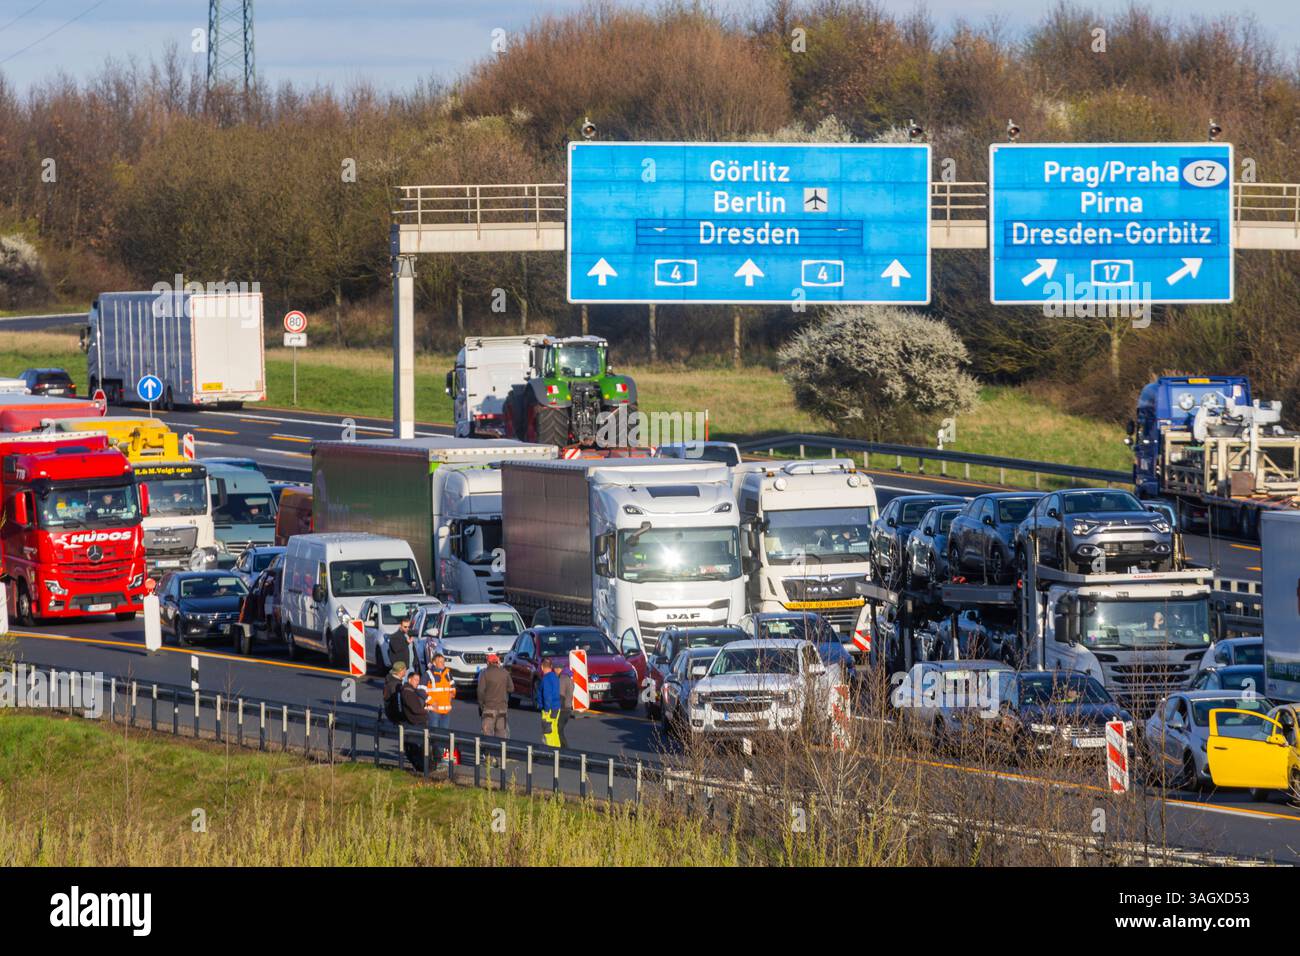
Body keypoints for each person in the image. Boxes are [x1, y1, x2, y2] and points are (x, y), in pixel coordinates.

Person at [398, 670, 428, 772]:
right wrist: (426, 710)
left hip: (415, 722)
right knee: (418, 748)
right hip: (416, 723)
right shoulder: (408, 692)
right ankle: (422, 767)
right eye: (416, 680)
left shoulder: (410, 691)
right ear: (410, 680)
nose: (417, 682)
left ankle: (421, 766)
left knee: (418, 747)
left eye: (418, 680)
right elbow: (415, 709)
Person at [476, 652, 511, 738]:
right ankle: (501, 751)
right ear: (497, 662)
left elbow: (480, 691)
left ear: (488, 663)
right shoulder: (505, 673)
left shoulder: (484, 673)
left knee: (487, 736)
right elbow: (511, 688)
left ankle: (489, 751)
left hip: (488, 708)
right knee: (502, 735)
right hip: (502, 708)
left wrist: (481, 705)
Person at [425, 652, 455, 733]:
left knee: (444, 735)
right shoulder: (428, 674)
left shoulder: (448, 673)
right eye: (440, 661)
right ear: (434, 663)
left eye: (443, 661)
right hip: (434, 711)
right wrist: (431, 702)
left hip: (446, 711)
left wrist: (450, 697)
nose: (443, 663)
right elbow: (420, 690)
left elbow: (452, 687)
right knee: (434, 735)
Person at [537, 658, 562, 747]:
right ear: (551, 666)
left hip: (549, 709)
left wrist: (546, 709)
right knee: (554, 731)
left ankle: (550, 753)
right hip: (556, 708)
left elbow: (547, 696)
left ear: (542, 667)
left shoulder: (546, 679)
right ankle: (557, 751)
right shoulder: (555, 677)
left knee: (548, 732)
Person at [382, 661, 408, 725]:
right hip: (395, 715)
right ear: (401, 671)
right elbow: (397, 703)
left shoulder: (390, 679)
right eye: (405, 669)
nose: (406, 671)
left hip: (389, 711)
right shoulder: (395, 685)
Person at [557, 661, 575, 749]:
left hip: (563, 709)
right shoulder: (569, 678)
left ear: (558, 669)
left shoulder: (562, 679)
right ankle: (564, 749)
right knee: (560, 730)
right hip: (568, 708)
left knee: (558, 730)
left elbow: (561, 695)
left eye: (555, 669)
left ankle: (565, 750)